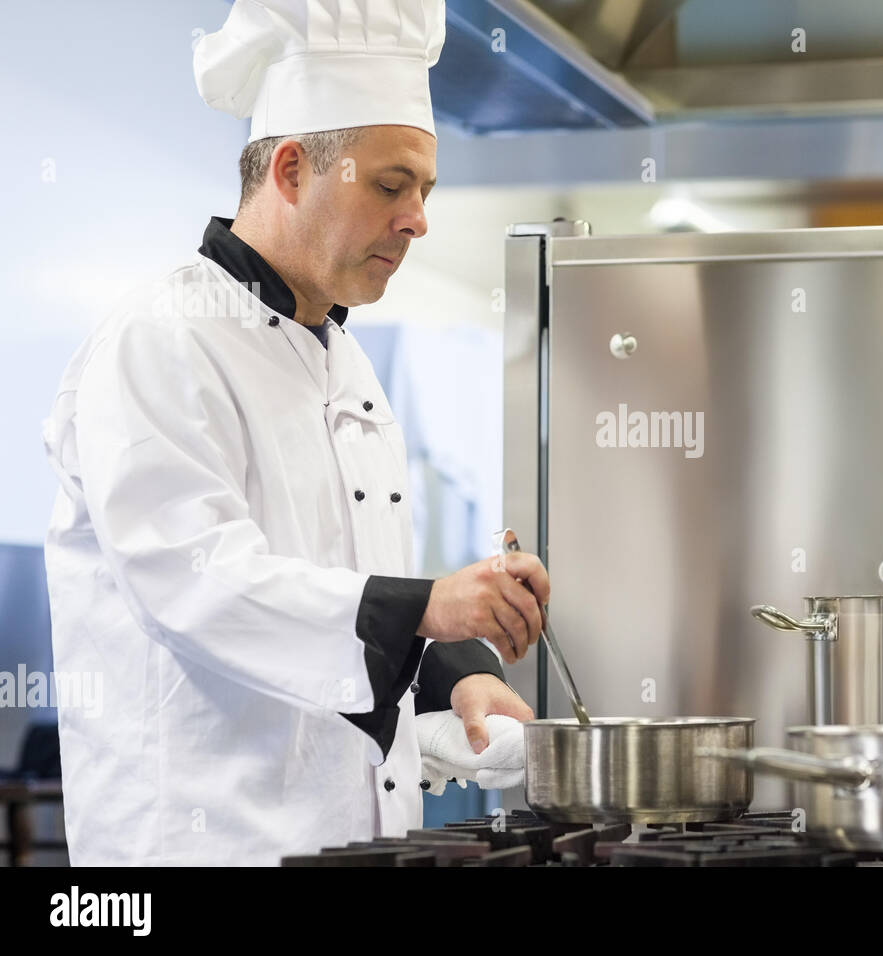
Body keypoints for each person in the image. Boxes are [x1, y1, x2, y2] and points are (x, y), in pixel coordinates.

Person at [40, 0, 547, 865]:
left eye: (425, 191)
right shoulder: (161, 340)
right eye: (392, 186)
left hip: (352, 843)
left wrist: (456, 671)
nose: (418, 219)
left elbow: (334, 594)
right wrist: (428, 604)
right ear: (288, 169)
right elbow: (200, 586)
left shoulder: (343, 359)